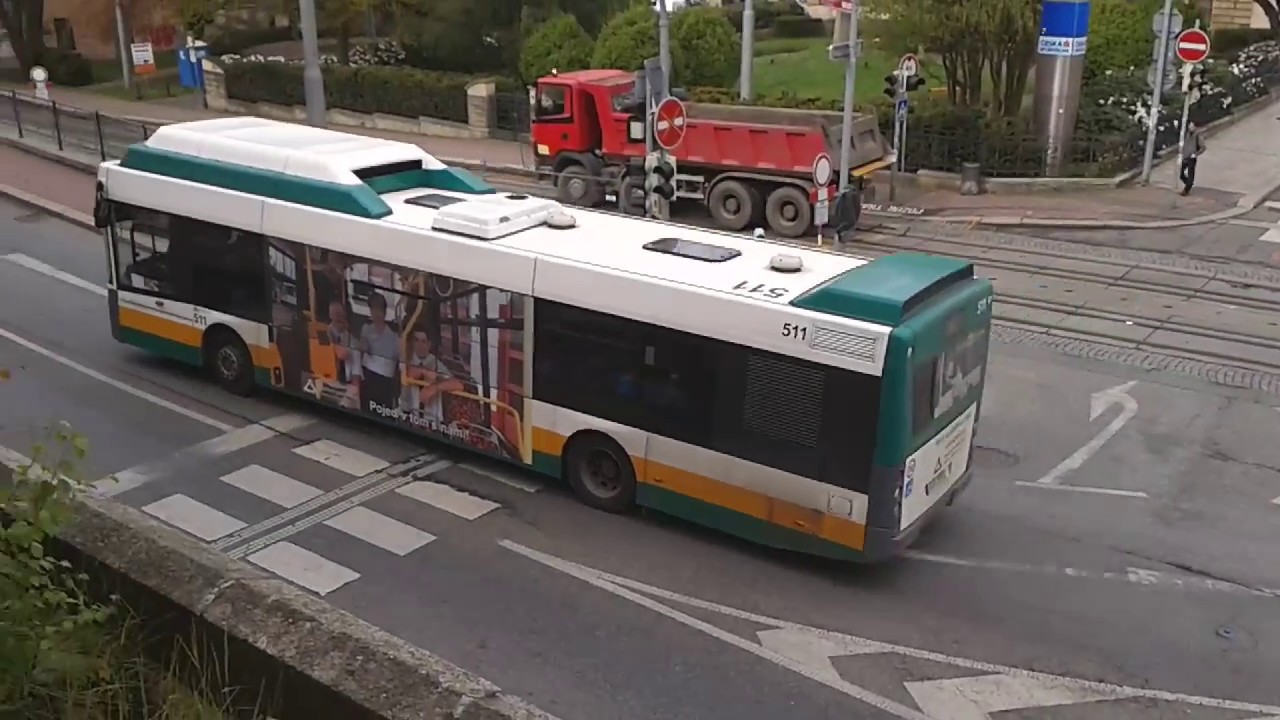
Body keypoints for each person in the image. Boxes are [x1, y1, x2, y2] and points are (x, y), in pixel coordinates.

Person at [401, 328, 464, 428]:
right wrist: (425, 372)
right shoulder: (407, 358)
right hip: (408, 417)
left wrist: (434, 388)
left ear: (429, 344)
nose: (420, 345)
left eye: (423, 341)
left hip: (431, 423)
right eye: (416, 340)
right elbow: (410, 373)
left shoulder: (435, 363)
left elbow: (458, 385)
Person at [358, 291, 401, 414]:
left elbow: (397, 360)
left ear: (384, 312)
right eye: (373, 310)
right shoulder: (366, 329)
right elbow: (362, 351)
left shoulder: (393, 336)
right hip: (368, 376)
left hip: (385, 381)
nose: (376, 314)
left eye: (378, 310)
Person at [1179, 122, 1205, 196]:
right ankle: (1189, 183)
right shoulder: (1187, 134)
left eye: (1191, 126)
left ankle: (1186, 190)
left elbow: (1203, 147)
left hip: (1192, 157)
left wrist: (1195, 154)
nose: (1190, 128)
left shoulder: (1198, 135)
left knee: (1190, 173)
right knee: (1181, 174)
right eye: (1189, 126)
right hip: (1185, 156)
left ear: (1195, 127)